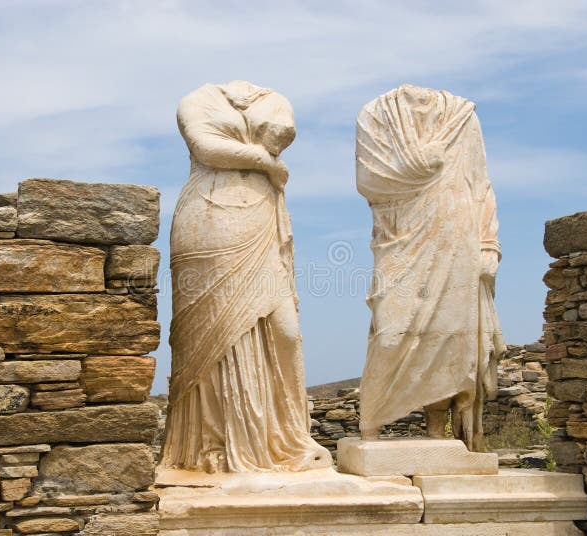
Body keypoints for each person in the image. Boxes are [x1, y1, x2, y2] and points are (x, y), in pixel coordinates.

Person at [160, 80, 331, 473]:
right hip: (207, 218)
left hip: (260, 218)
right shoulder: (196, 99)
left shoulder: (275, 99)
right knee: (214, 332)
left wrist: (264, 156)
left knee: (284, 330)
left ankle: (280, 438)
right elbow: (206, 149)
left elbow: (280, 134)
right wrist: (267, 163)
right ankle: (214, 443)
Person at [356, 84, 505, 451]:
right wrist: (418, 165)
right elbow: (368, 180)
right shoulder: (375, 114)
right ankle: (370, 424)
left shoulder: (462, 116)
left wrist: (489, 243)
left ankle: (436, 430)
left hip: (457, 230)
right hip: (401, 234)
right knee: (391, 333)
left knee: (448, 336)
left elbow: (482, 185)